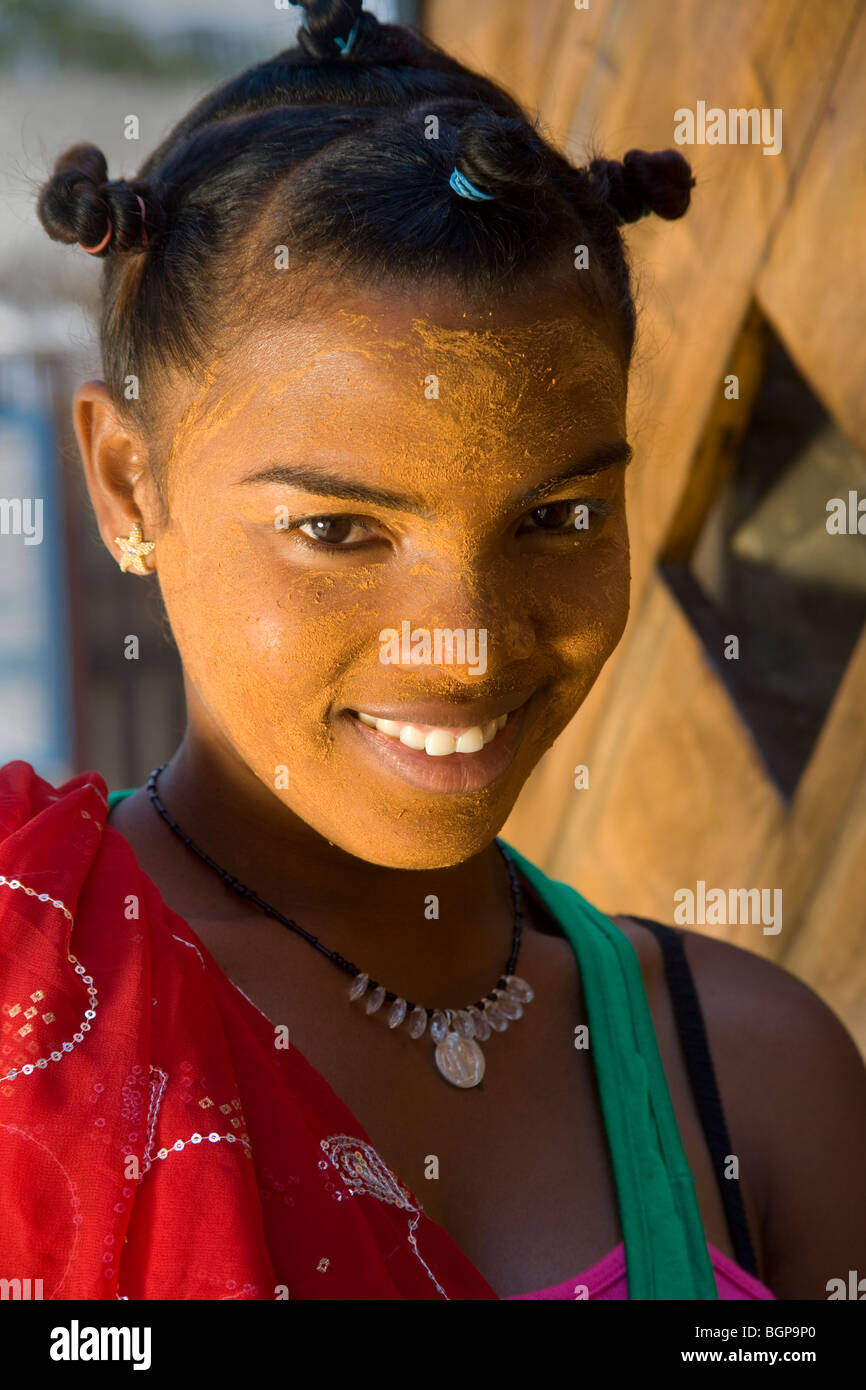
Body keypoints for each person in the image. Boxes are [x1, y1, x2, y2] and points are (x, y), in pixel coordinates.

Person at [3, 0, 863, 1301]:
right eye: (338, 528)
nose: (462, 641)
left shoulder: (756, 1075)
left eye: (556, 516)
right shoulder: (38, 1002)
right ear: (128, 485)